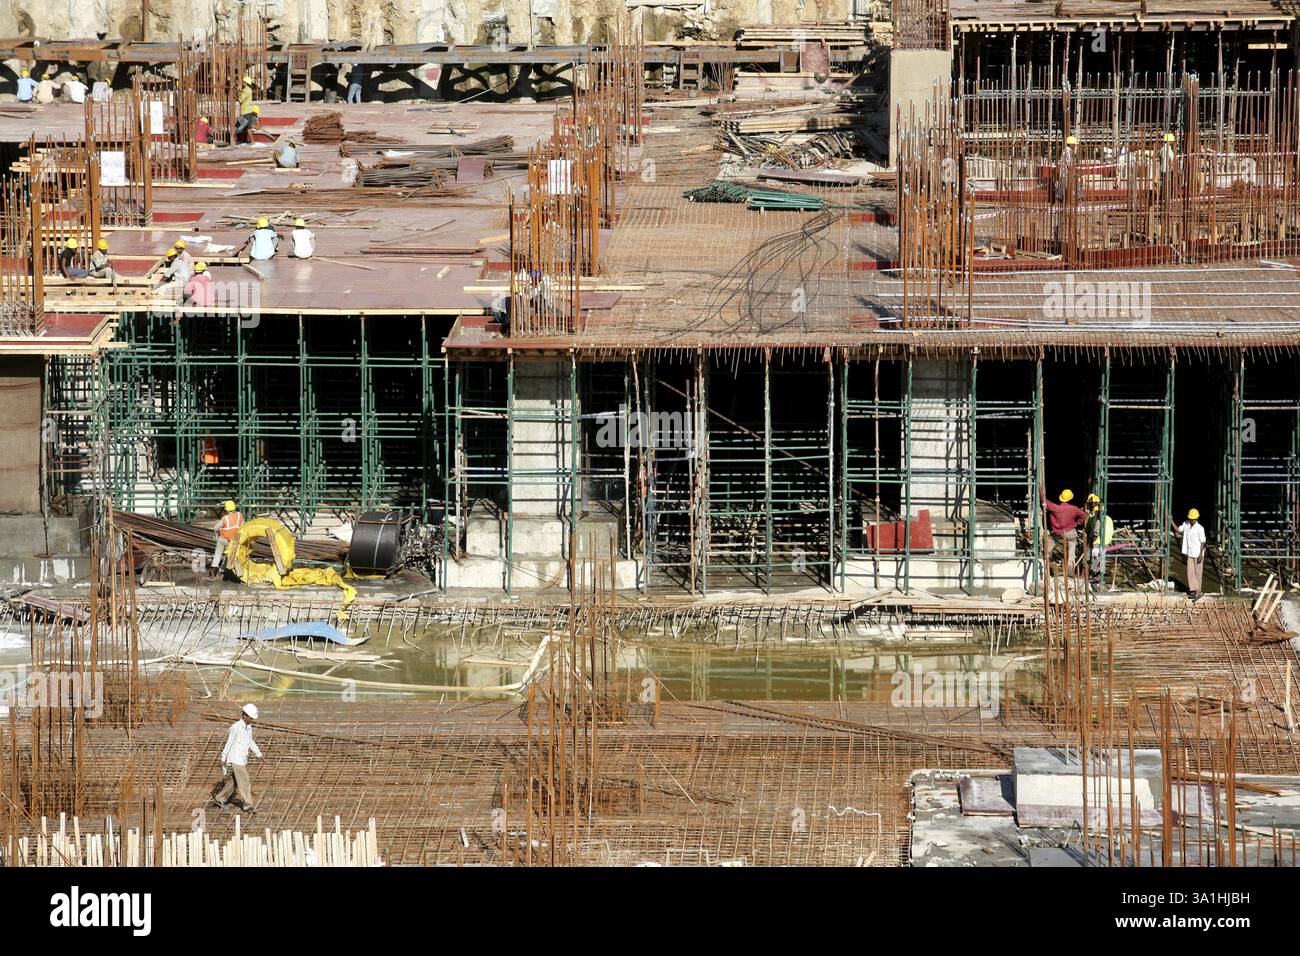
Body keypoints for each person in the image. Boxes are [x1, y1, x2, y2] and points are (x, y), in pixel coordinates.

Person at [212, 703, 262, 813]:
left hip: (242, 759)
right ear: (244, 715)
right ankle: (247, 804)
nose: (251, 720)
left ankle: (219, 798)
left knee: (235, 781)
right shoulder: (235, 727)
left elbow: (250, 742)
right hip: (236, 759)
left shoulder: (248, 728)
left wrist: (259, 754)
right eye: (250, 718)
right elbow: (229, 743)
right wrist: (223, 758)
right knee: (244, 781)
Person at [1043, 488, 1087, 578]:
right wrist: (1078, 522)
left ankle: (1052, 568)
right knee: (1071, 552)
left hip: (1058, 534)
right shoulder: (1074, 509)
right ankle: (1070, 572)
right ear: (1070, 499)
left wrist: (1041, 494)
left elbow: (1047, 503)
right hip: (1070, 533)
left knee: (1055, 549)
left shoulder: (1056, 508)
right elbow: (1084, 515)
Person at [1174, 507, 1207, 600]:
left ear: (1196, 519)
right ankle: (1192, 590)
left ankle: (1198, 592)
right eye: (1190, 519)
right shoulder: (1186, 524)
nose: (1191, 520)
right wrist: (1170, 520)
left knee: (1198, 573)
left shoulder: (1200, 528)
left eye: (1193, 519)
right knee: (1190, 572)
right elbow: (1178, 529)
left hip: (1197, 553)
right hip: (1190, 553)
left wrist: (1200, 555)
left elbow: (1202, 542)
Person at [1084, 493, 1114, 584]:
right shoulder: (1106, 517)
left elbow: (1096, 532)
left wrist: (1091, 540)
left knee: (1095, 556)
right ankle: (1099, 573)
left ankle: (1096, 575)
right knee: (1101, 556)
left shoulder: (1097, 518)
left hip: (1099, 540)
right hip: (1106, 539)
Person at [212, 499, 244, 572]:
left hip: (222, 540)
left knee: (217, 555)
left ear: (227, 510)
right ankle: (225, 570)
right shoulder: (240, 515)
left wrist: (218, 534)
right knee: (231, 555)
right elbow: (242, 526)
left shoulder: (224, 518)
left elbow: (215, 528)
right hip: (233, 540)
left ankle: (212, 575)